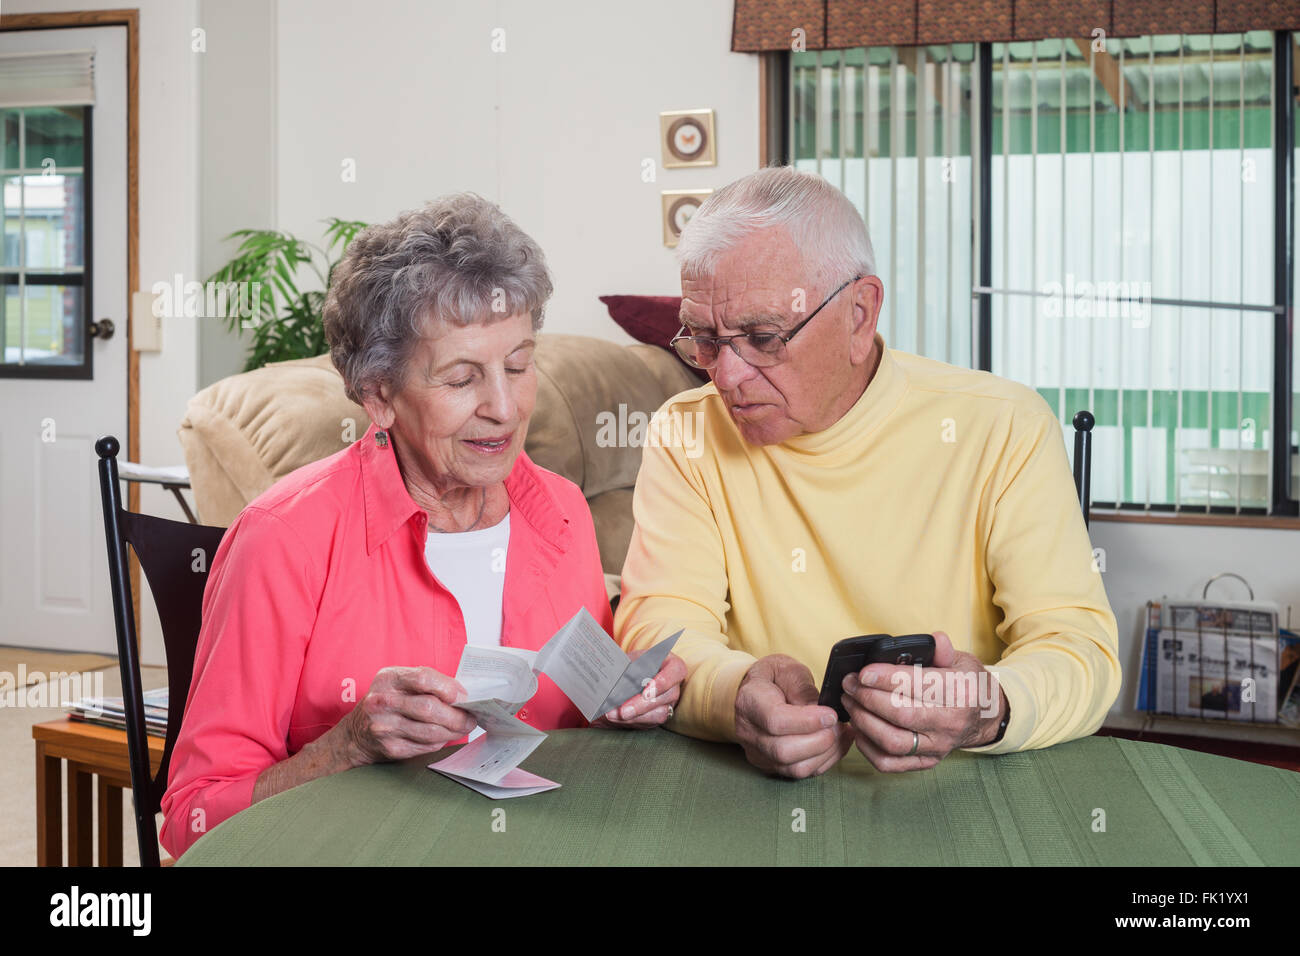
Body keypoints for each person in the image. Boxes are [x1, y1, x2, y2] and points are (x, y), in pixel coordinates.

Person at [161, 194, 684, 858]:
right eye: (463, 378)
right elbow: (192, 819)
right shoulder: (283, 539)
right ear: (379, 394)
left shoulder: (559, 511)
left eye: (519, 366)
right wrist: (344, 748)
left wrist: (634, 702)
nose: (504, 407)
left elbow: (582, 724)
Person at [615, 166, 1120, 779]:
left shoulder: (1003, 424)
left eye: (763, 337)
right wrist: (733, 693)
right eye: (704, 339)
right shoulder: (685, 432)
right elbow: (659, 627)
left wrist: (987, 709)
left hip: (959, 789)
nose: (725, 375)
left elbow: (1078, 651)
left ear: (859, 314)